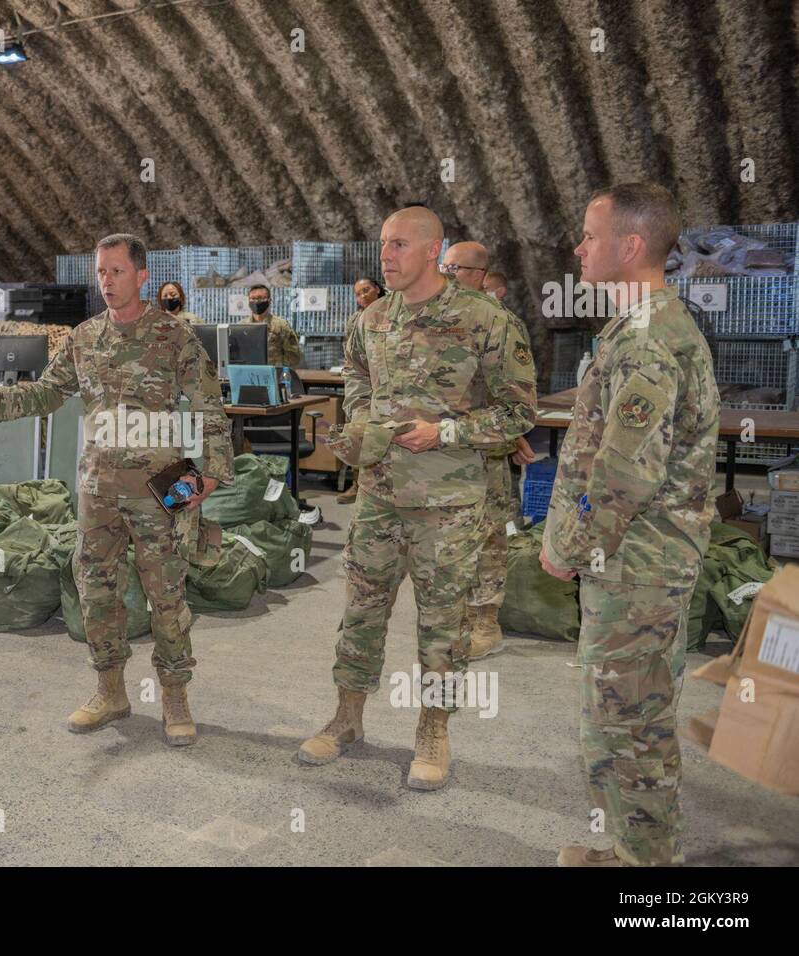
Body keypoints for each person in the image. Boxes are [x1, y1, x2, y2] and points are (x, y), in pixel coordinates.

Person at [298, 207, 536, 790]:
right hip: (379, 495)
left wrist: (446, 431)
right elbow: (354, 374)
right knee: (361, 611)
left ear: (435, 250)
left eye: (399, 244)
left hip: (449, 503)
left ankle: (434, 730)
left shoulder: (485, 319)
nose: (386, 255)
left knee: (442, 625)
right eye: (383, 244)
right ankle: (347, 716)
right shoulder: (373, 319)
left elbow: (519, 413)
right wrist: (358, 421)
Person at [0, 233, 234, 747]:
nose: (106, 281)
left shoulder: (173, 336)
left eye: (116, 271)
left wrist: (212, 473)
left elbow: (207, 404)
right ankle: (110, 690)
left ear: (142, 276)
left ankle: (174, 697)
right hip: (97, 488)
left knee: (167, 593)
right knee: (95, 590)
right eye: (101, 273)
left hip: (163, 487)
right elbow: (47, 392)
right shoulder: (84, 338)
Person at [541, 183, 718, 867]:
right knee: (619, 717)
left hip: (638, 567)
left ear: (631, 246)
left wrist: (569, 547)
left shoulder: (648, 343)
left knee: (630, 724)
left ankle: (648, 873)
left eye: (590, 234)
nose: (579, 247)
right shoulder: (639, 330)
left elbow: (622, 477)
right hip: (633, 564)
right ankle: (630, 851)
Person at [441, 247, 535, 658]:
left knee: (488, 537)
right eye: (443, 266)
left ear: (480, 274)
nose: (446, 274)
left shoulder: (501, 322)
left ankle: (485, 623)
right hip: (440, 454)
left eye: (454, 268)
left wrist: (511, 435)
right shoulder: (436, 318)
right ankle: (454, 616)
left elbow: (514, 401)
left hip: (482, 453)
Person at [336, 278, 385, 504]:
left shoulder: (392, 312)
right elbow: (351, 354)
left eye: (366, 290)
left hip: (387, 387)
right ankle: (357, 484)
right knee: (357, 436)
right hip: (362, 386)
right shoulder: (355, 320)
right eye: (358, 293)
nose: (362, 296)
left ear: (378, 289)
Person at [247, 284, 302, 368]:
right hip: (248, 375)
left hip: (274, 376)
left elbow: (294, 355)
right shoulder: (242, 326)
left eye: (261, 298)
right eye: (253, 298)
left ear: (269, 301)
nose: (256, 301)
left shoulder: (281, 325)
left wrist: (279, 370)